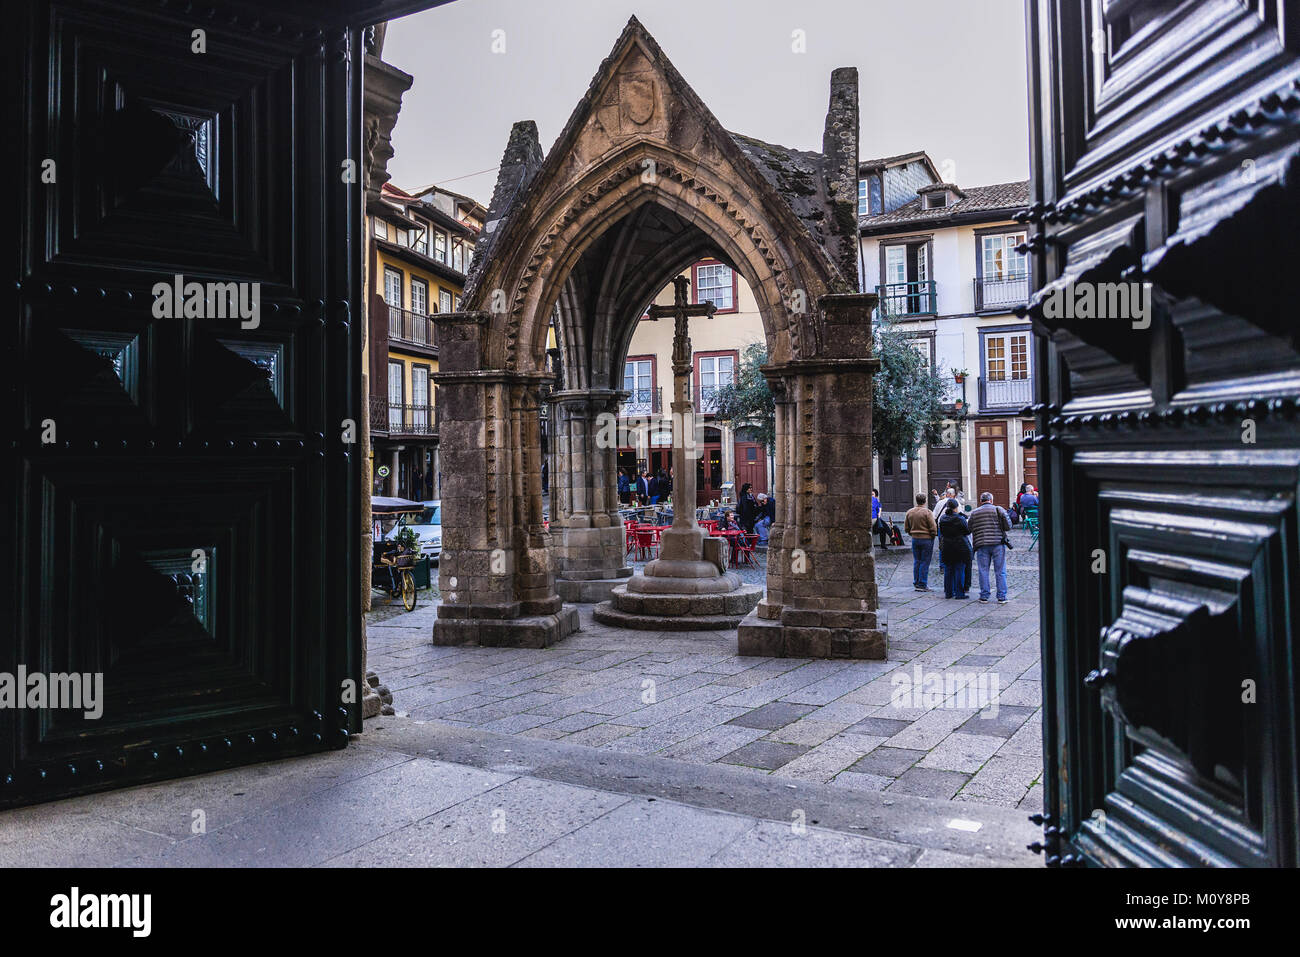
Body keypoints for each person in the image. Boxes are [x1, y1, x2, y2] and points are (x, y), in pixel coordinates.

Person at [970, 491, 1012, 603]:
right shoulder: (999, 510)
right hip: (998, 543)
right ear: (991, 500)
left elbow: (969, 528)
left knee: (983, 570)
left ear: (981, 501)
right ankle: (1002, 596)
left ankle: (984, 596)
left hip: (981, 544)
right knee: (1000, 571)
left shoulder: (975, 513)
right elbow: (1008, 526)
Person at [903, 492, 938, 591]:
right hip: (926, 539)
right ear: (925, 501)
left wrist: (912, 533)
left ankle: (916, 582)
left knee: (917, 561)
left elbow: (906, 527)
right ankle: (922, 583)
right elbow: (933, 527)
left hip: (915, 538)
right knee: (925, 561)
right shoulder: (927, 512)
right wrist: (932, 535)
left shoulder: (910, 512)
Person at [937, 499, 971, 599]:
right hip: (960, 546)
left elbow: (942, 531)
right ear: (956, 507)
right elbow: (967, 531)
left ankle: (948, 592)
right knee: (959, 569)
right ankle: (959, 593)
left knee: (948, 570)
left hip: (947, 546)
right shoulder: (960, 519)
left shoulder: (943, 518)